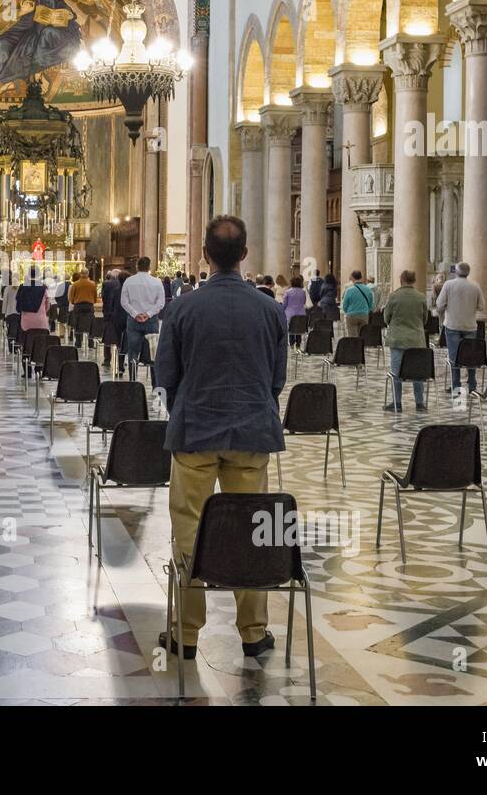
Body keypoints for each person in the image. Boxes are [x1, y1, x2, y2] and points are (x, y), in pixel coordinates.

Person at [155, 215, 287, 660]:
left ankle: (185, 634)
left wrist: (186, 405)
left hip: (195, 431)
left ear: (204, 256)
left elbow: (166, 373)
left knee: (189, 530)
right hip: (251, 432)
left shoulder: (182, 307)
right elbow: (277, 379)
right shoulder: (270, 308)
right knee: (254, 530)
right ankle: (253, 632)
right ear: (244, 254)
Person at [436, 261, 486, 394]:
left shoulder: (448, 285)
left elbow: (439, 305)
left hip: (452, 325)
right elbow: (482, 306)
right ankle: (472, 386)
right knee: (471, 357)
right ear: (468, 272)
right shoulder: (475, 286)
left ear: (456, 272)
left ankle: (456, 386)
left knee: (454, 357)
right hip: (470, 326)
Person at [382, 270, 429, 412]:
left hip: (397, 339)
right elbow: (425, 319)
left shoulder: (394, 296)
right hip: (416, 339)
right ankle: (420, 403)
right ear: (414, 280)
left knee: (396, 372)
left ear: (401, 279)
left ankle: (397, 403)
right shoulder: (421, 297)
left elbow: (386, 318)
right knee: (417, 372)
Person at [119, 256, 165, 380]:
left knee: (133, 352)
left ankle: (133, 380)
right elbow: (161, 303)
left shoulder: (129, 281)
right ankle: (156, 383)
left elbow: (124, 302)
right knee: (153, 353)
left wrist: (135, 314)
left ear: (137, 266)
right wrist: (148, 314)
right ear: (149, 267)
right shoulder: (156, 282)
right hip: (151, 320)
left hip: (134, 321)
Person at [68, 268, 98, 349]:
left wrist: (75, 301)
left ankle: (78, 343)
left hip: (78, 306)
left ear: (81, 274)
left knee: (77, 324)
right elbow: (95, 297)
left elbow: (71, 298)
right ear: (88, 274)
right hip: (89, 306)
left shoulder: (75, 284)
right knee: (91, 324)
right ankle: (90, 343)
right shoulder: (92, 284)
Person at [341, 270, 375, 338]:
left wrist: (347, 311)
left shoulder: (349, 290)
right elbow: (371, 305)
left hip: (351, 315)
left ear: (353, 278)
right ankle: (361, 347)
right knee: (362, 335)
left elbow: (344, 306)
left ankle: (355, 348)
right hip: (364, 315)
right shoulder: (368, 290)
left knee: (353, 336)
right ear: (361, 277)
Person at [16, 265, 50, 332]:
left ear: (28, 274)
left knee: (27, 339)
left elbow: (18, 304)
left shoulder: (22, 287)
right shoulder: (44, 288)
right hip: (41, 321)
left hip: (26, 322)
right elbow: (47, 306)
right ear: (39, 274)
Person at [282, 275, 307, 347]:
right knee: (299, 330)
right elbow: (304, 302)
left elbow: (284, 304)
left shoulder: (288, 292)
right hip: (301, 313)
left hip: (290, 314)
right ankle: (298, 344)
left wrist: (282, 310)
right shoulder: (303, 292)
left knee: (291, 330)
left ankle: (292, 344)